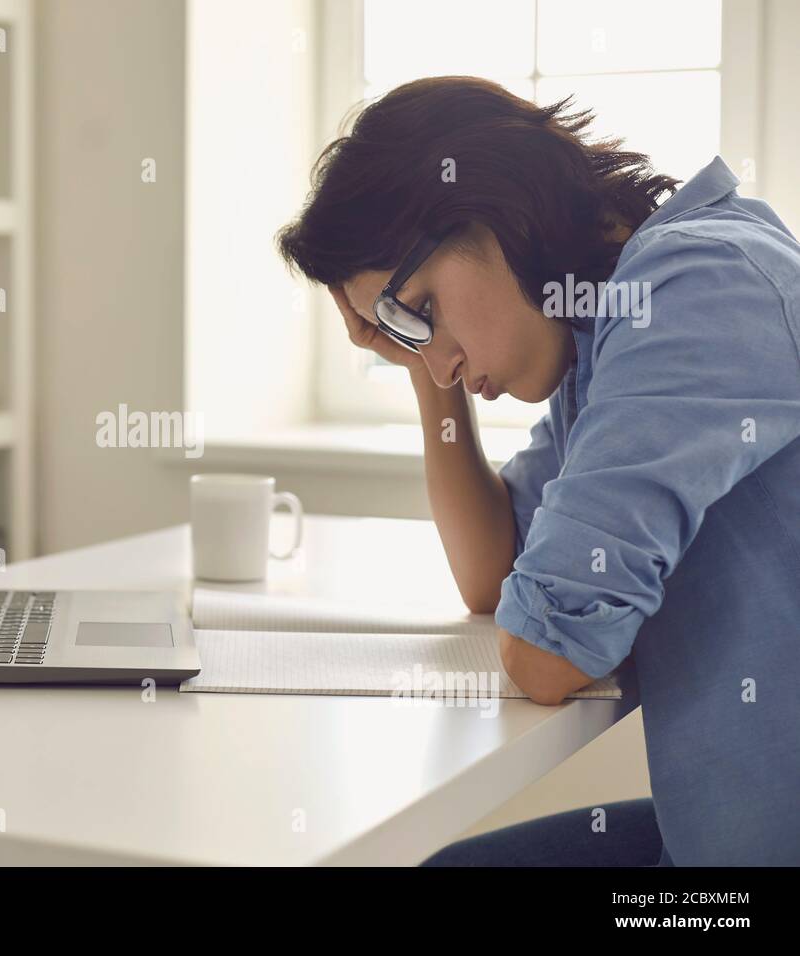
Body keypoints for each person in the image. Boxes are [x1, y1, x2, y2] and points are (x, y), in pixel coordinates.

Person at [276, 76, 800, 866]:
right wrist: (426, 362)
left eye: (419, 307)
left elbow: (549, 656)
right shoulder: (601, 337)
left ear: (494, 211)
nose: (439, 358)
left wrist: (427, 341)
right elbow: (494, 577)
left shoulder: (696, 290)